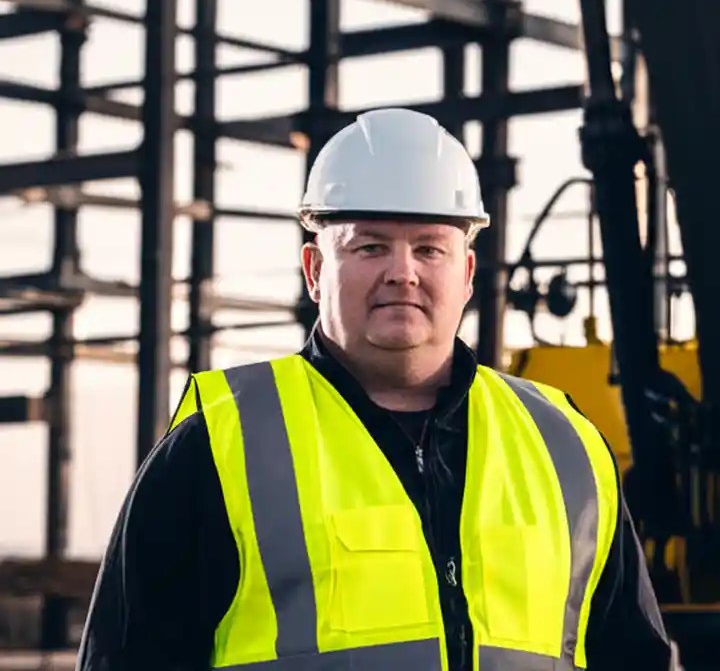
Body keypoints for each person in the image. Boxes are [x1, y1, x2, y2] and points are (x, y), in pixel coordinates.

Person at [76, 108, 675, 670]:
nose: (402, 271)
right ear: (315, 271)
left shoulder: (565, 445)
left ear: (466, 274)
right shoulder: (219, 445)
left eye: (428, 248)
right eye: (370, 246)